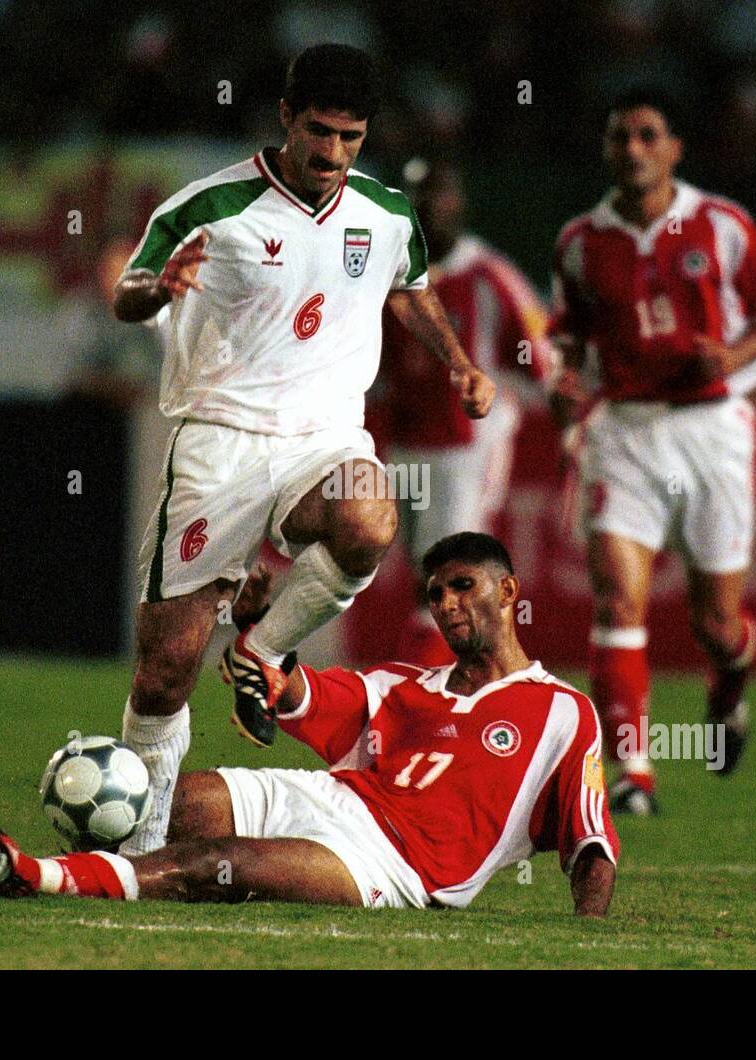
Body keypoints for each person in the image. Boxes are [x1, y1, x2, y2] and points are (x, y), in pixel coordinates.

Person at [108, 44, 495, 856]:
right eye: (318, 132)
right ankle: (139, 850)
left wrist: (458, 362)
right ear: (285, 117)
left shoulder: (385, 213)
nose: (332, 153)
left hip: (324, 437)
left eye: (350, 138)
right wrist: (159, 287)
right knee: (165, 667)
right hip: (221, 440)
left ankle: (263, 648)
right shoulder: (210, 207)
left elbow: (409, 287)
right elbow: (128, 291)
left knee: (370, 519)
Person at [0, 533, 619, 916]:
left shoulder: (564, 713)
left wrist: (588, 948)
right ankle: (89, 875)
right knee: (164, 802)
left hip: (394, 866)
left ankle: (32, 876)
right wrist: (256, 630)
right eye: (435, 593)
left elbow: (591, 844)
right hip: (330, 797)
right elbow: (287, 690)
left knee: (222, 864)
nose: (445, 604)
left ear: (507, 591)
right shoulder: (402, 685)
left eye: (462, 586)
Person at [549, 88, 756, 814]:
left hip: (710, 428)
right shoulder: (579, 243)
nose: (632, 148)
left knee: (716, 625)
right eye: (619, 136)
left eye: (646, 135)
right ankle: (633, 774)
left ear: (674, 149)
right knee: (618, 597)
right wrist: (564, 378)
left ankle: (731, 682)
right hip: (624, 430)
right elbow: (570, 332)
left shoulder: (721, 225)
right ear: (606, 148)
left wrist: (731, 355)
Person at [379, 159, 557, 666]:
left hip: (466, 447)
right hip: (407, 440)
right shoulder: (388, 273)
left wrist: (568, 424)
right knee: (425, 577)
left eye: (438, 195)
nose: (428, 208)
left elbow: (540, 356)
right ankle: (474, 686)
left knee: (449, 575)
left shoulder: (488, 276)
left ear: (458, 202)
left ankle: (437, 695)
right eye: (416, 197)